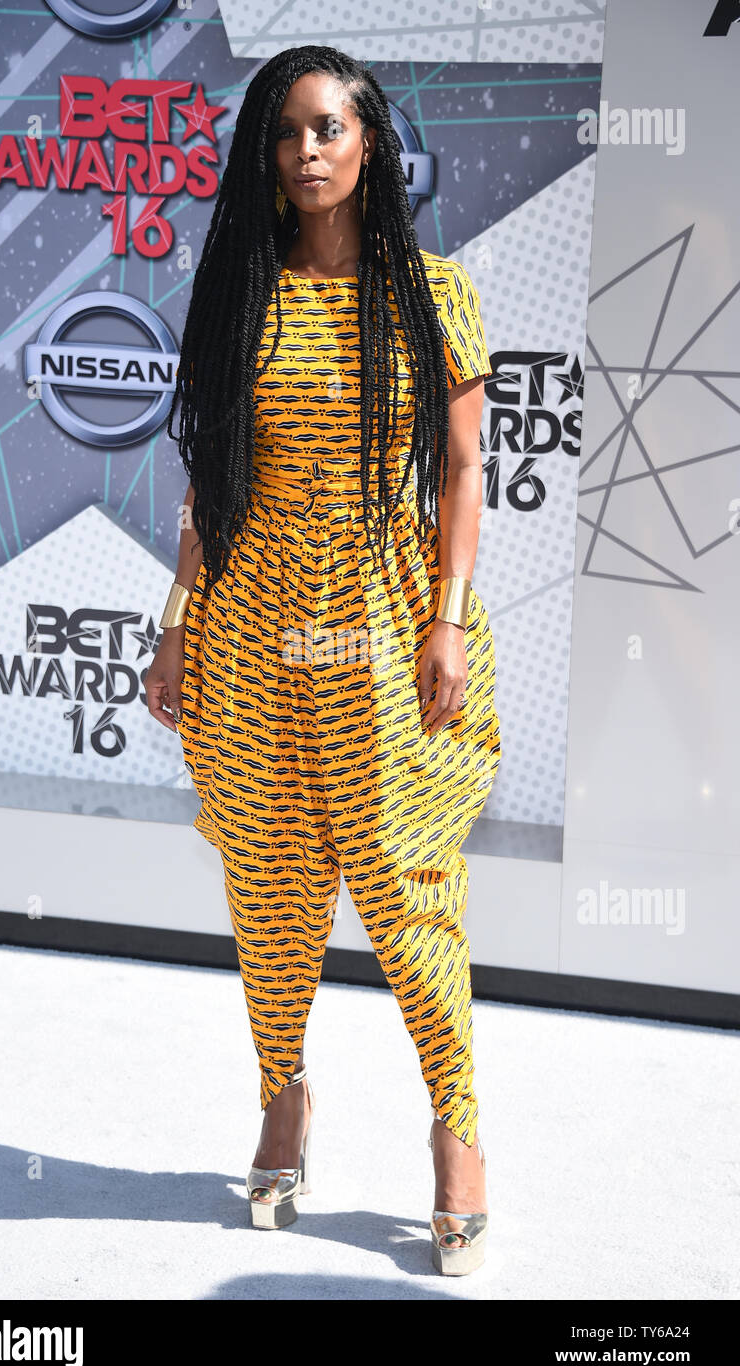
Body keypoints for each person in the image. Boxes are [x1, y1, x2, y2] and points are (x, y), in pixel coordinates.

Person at [146, 44, 501, 1277]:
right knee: (273, 882)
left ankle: (455, 1125)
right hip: (251, 620)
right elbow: (211, 484)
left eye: (330, 128)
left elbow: (461, 470)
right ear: (265, 149)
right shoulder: (240, 290)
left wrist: (446, 621)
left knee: (406, 891)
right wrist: (178, 620)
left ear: (369, 144)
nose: (308, 150)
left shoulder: (431, 294)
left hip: (382, 614)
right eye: (288, 131)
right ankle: (282, 1095)